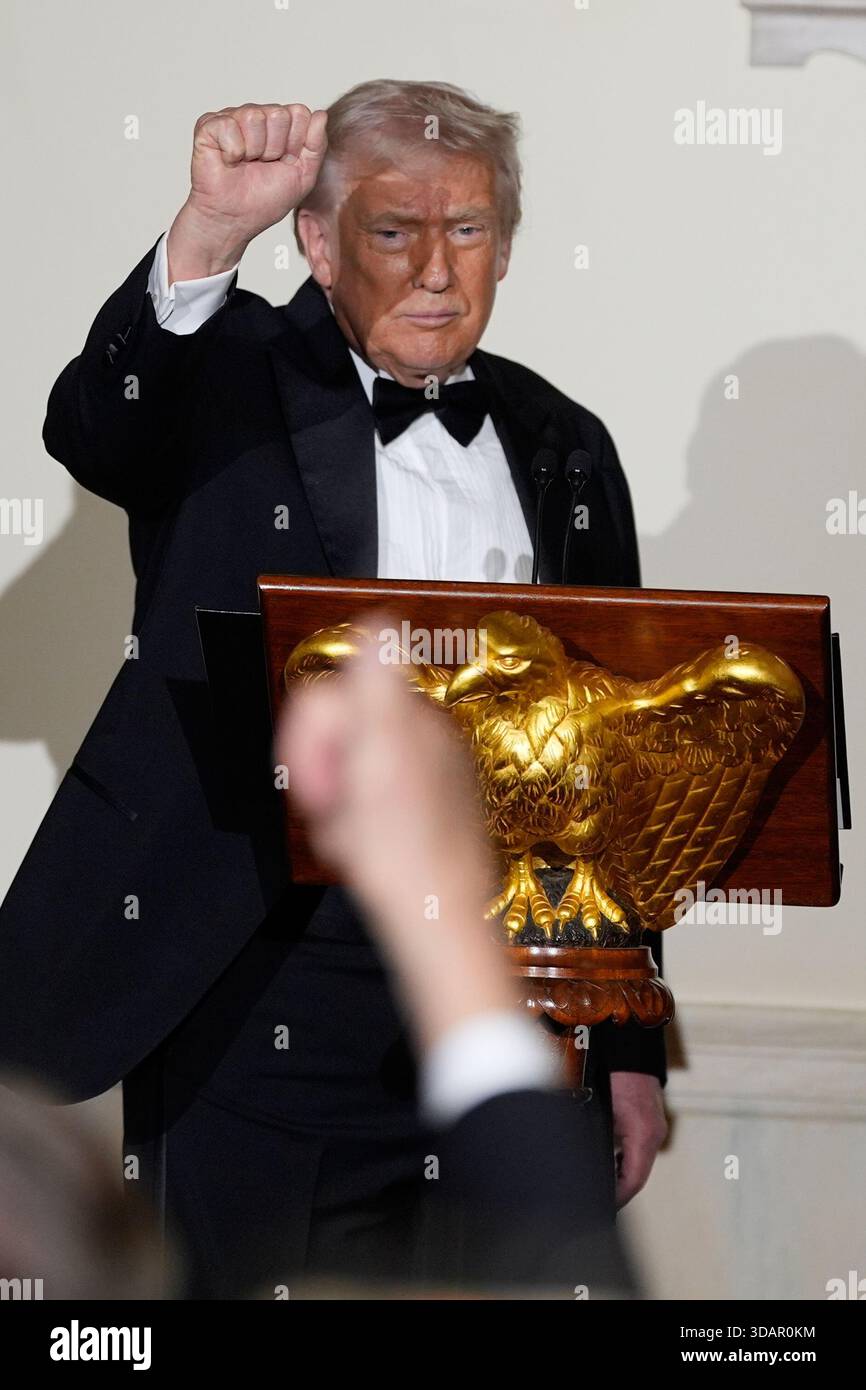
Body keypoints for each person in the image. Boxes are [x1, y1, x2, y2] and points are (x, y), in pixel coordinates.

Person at [0, 79, 666, 1296]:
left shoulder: (563, 441)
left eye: (467, 229)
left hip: (498, 986)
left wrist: (627, 1048)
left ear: (506, 244)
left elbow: (608, 770)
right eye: (392, 228)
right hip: (250, 981)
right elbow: (98, 428)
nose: (435, 269)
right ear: (316, 240)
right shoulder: (226, 379)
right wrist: (210, 229)